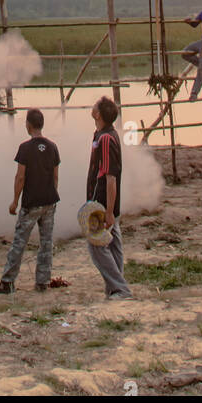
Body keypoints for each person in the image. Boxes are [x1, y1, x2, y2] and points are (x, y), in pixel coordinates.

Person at [0, 108, 60, 294]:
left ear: (29, 125)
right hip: (49, 201)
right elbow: (55, 176)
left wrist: (15, 201)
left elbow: (20, 177)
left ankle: (8, 281)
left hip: (31, 203)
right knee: (46, 243)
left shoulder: (25, 148)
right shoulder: (52, 147)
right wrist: (52, 195)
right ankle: (43, 282)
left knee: (20, 242)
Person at [85, 96, 133, 300]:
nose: (92, 106)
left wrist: (110, 211)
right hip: (101, 201)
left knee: (96, 246)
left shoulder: (106, 138)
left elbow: (110, 177)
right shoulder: (100, 134)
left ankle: (120, 288)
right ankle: (114, 288)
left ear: (99, 114)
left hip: (103, 202)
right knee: (113, 244)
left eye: (95, 105)